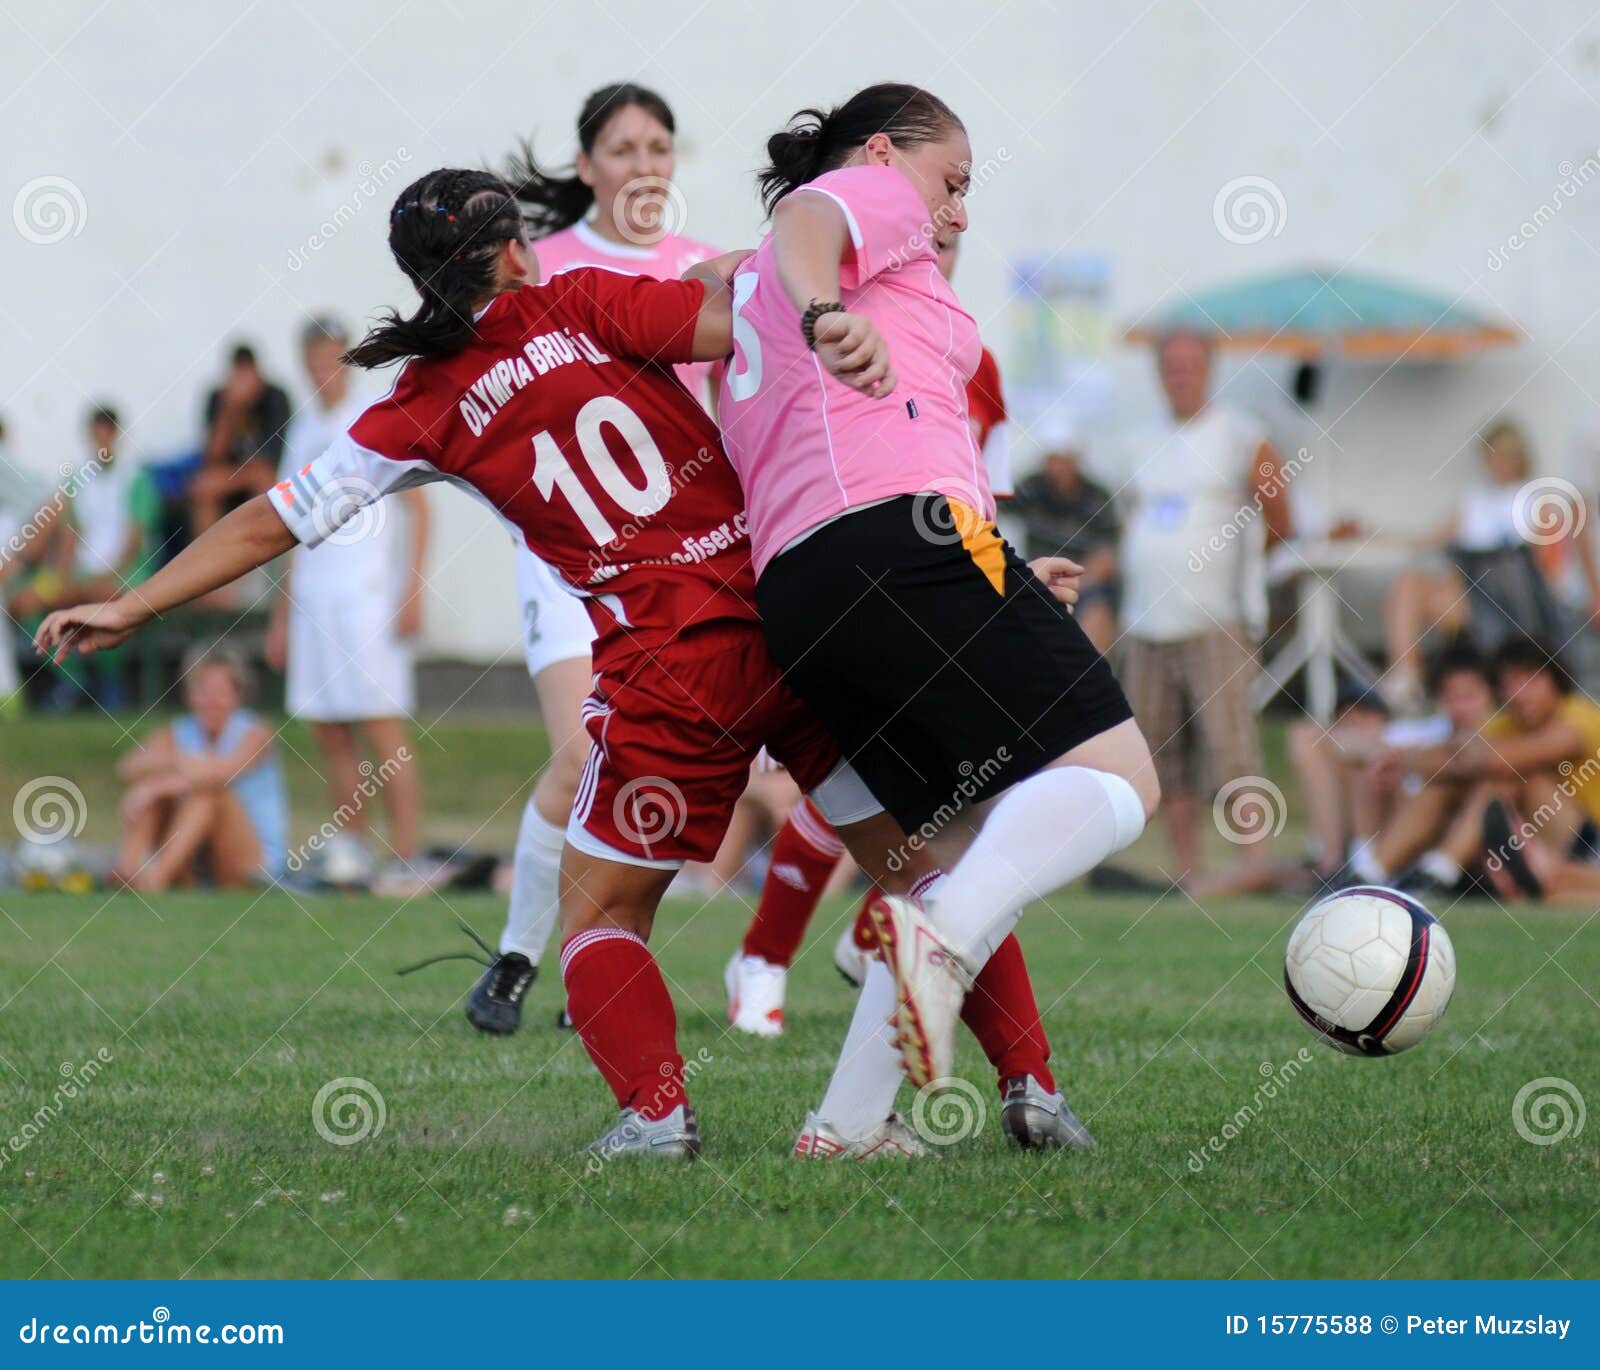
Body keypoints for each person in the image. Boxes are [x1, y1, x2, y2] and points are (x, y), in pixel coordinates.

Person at [39, 168, 1073, 1162]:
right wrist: (797, 251)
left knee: (598, 911)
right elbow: (744, 320)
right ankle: (1034, 1085)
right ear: (513, 252)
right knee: (921, 872)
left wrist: (131, 602)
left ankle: (657, 1117)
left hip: (673, 665)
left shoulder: (424, 402)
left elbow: (278, 520)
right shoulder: (582, 300)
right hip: (790, 618)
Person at [717, 83, 1159, 1103]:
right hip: (897, 540)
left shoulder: (750, 286)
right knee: (1122, 777)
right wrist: (827, 311)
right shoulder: (864, 208)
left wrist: (998, 567)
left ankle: (846, 1124)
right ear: (881, 154)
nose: (956, 208)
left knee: (954, 847)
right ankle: (939, 943)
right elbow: (811, 212)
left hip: (806, 589)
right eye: (951, 180)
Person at [467, 83, 725, 1035]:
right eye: (623, 149)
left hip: (675, 561)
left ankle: (604, 962)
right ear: (586, 167)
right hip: (568, 557)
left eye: (659, 147)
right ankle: (520, 955)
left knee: (641, 763)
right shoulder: (546, 268)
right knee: (582, 752)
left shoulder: (701, 266)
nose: (644, 164)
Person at [1115, 328, 1289, 889]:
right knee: (1163, 754)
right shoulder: (1138, 442)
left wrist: (1245, 574)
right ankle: (1189, 872)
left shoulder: (1242, 436)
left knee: (1231, 746)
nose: (1181, 375)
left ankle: (1255, 863)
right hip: (1147, 622)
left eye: (1190, 365)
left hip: (1216, 619)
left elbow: (1280, 517)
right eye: (1171, 365)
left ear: (1209, 369)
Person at [264, 318, 428, 888]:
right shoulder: (302, 427)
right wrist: (281, 616)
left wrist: (413, 589)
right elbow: (288, 522)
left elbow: (419, 507)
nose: (323, 371)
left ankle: (405, 853)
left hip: (367, 597)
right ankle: (353, 847)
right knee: (329, 728)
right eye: (314, 360)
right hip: (314, 599)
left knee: (381, 725)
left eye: (333, 359)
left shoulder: (375, 415)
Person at [1381, 420, 1599, 710]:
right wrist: (1370, 533)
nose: (1498, 463)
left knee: (1496, 570)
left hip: (1523, 603)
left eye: (1505, 455)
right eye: (1493, 455)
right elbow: (1424, 540)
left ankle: (1417, 682)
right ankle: (1407, 678)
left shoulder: (1538, 499)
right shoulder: (1474, 502)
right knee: (1409, 583)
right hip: (1475, 596)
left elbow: (1552, 566)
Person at [1389, 637, 1600, 900]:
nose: (1519, 694)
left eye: (1530, 681)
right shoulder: (1506, 725)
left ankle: (1443, 870)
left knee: (1509, 772)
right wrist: (1403, 759)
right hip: (1540, 839)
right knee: (1448, 781)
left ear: (1555, 681)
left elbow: (1499, 758)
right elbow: (1452, 757)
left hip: (1589, 842)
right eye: (1510, 683)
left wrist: (1422, 759)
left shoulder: (1581, 716)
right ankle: (1374, 870)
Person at [111, 645, 287, 890]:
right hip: (199, 856)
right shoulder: (179, 731)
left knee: (208, 795)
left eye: (221, 692)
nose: (211, 701)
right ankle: (129, 870)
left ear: (238, 695)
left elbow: (222, 774)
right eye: (203, 692)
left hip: (250, 860)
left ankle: (154, 880)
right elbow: (129, 766)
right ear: (189, 695)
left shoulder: (257, 733)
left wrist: (159, 786)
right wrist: (167, 770)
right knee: (153, 794)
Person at [1008, 443, 1119, 653]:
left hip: (1083, 583)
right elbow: (992, 508)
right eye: (1052, 461)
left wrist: (1070, 586)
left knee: (1097, 614)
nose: (1057, 469)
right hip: (1039, 582)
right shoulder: (1031, 489)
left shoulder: (1097, 497)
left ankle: (1086, 670)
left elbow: (1106, 559)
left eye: (1063, 461)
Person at [189, 343, 291, 538]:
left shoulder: (275, 397)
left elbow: (270, 461)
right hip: (233, 476)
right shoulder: (219, 398)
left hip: (262, 475)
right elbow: (213, 456)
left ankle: (263, 550)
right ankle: (212, 553)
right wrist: (232, 408)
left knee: (263, 479)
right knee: (203, 487)